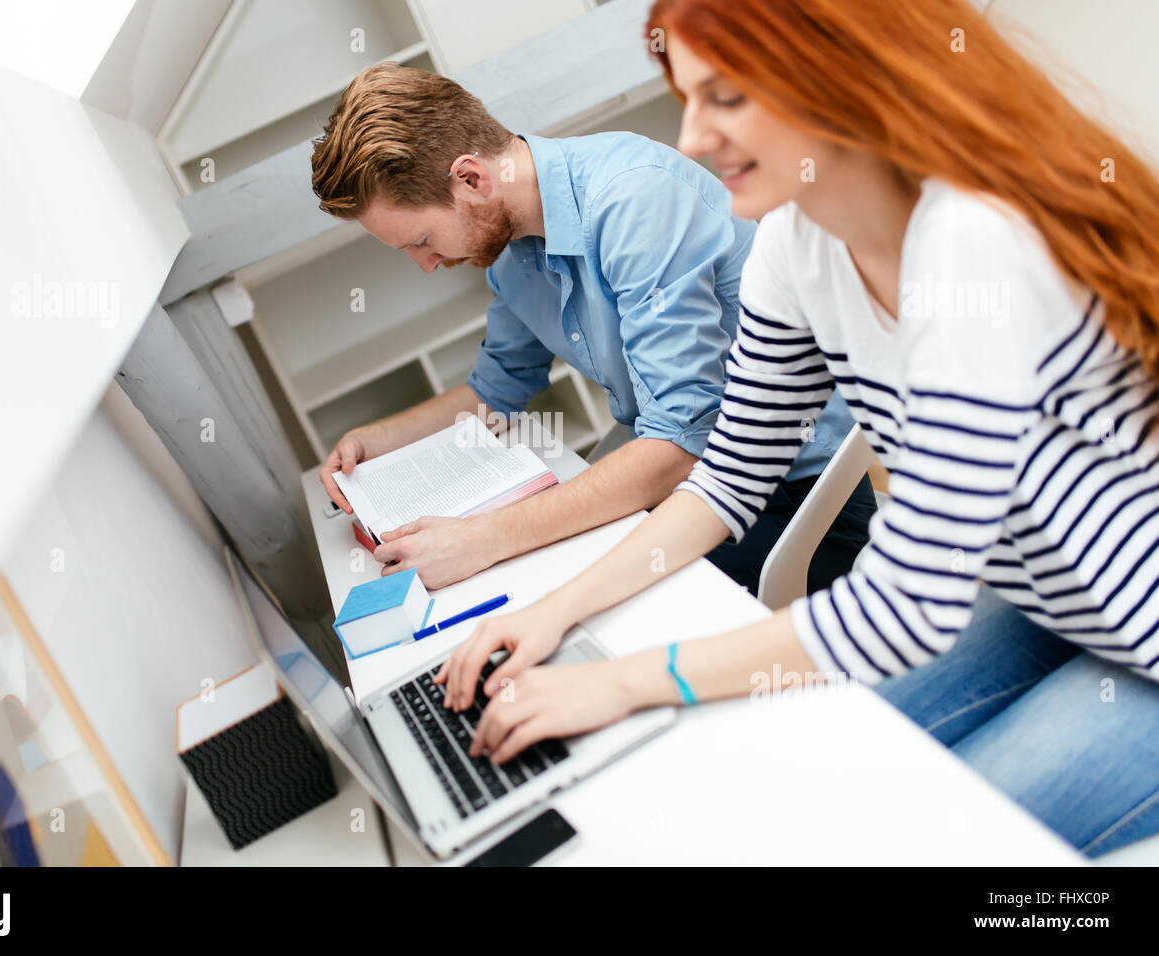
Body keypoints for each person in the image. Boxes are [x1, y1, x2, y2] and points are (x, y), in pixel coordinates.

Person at [437, 0, 1159, 857]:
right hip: (1048, 598)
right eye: (688, 99)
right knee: (814, 775)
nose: (693, 138)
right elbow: (729, 477)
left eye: (726, 98)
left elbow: (909, 603)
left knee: (923, 845)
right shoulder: (795, 246)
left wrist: (633, 681)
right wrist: (557, 612)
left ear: (835, 75)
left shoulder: (974, 244)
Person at [309, 63, 870, 593]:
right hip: (689, 489)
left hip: (791, 500)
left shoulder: (635, 199)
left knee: (563, 608)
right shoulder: (509, 250)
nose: (427, 264)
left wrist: (483, 539)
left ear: (471, 178)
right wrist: (376, 441)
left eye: (422, 241)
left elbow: (681, 441)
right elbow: (494, 392)